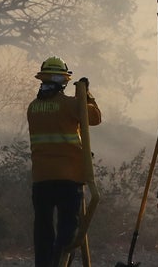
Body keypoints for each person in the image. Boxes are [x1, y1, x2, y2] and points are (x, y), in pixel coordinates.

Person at [27, 56, 102, 267]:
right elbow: (95, 118)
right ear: (63, 81)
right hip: (69, 178)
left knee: (42, 229)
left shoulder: (32, 108)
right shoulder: (70, 105)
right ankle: (60, 263)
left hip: (41, 179)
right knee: (68, 228)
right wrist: (86, 95)